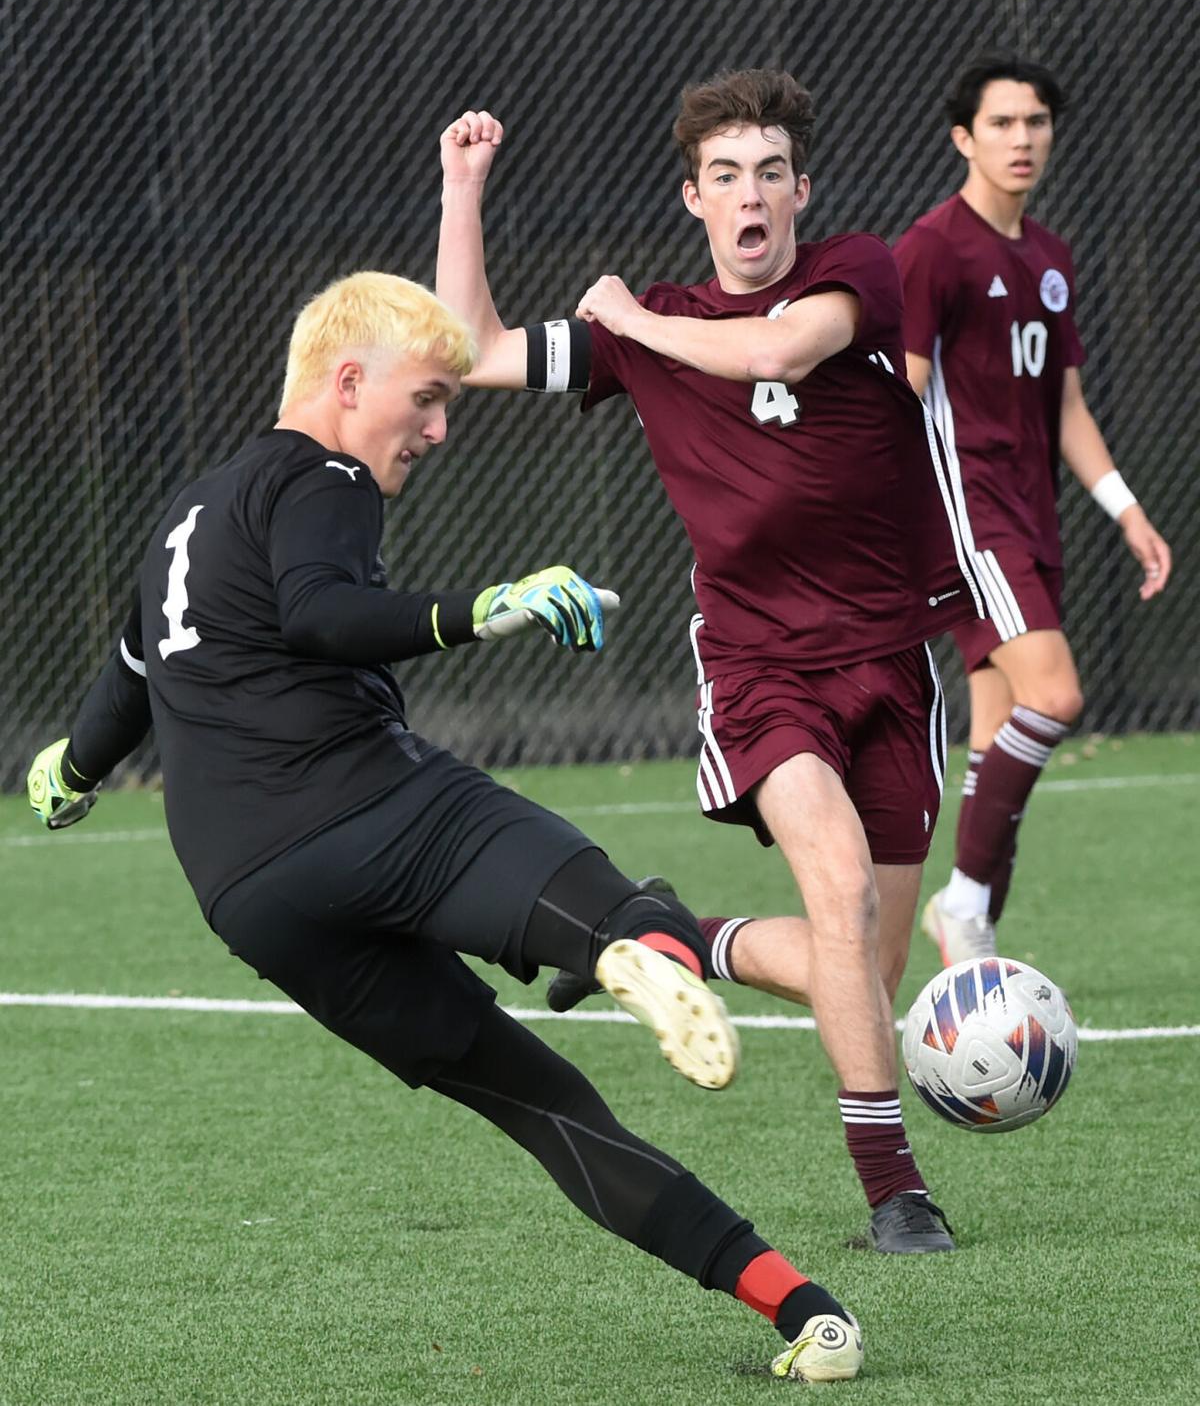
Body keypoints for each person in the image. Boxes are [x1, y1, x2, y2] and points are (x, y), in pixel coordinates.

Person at [25, 271, 864, 1384]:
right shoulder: (321, 473)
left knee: (541, 1103)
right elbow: (318, 612)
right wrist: (483, 606)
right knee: (607, 897)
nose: (437, 428)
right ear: (347, 377)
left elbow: (129, 678)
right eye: (426, 398)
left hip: (248, 895)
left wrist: (69, 771)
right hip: (356, 799)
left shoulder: (184, 514)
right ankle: (628, 942)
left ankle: (800, 1306)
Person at [437, 69, 988, 1253]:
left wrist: (630, 320)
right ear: (694, 197)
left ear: (803, 189)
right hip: (760, 667)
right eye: (727, 175)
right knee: (835, 893)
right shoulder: (656, 325)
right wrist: (463, 186)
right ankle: (896, 1189)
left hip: (893, 659)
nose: (752, 195)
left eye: (771, 172)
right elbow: (472, 349)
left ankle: (677, 931)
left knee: (869, 975)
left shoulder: (855, 271)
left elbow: (778, 350)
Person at [893, 55, 1173, 964]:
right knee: (1056, 696)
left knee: (996, 736)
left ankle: (971, 968)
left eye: (1037, 122)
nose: (1023, 138)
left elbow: (1069, 408)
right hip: (970, 516)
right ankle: (965, 904)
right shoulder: (933, 247)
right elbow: (903, 393)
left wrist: (1126, 511)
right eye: (1003, 123)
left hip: (1032, 515)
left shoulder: (1051, 256)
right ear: (963, 138)